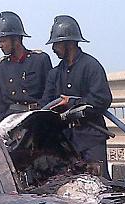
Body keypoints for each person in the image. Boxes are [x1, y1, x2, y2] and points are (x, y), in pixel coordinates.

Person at [42, 15, 113, 178]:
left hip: (90, 138)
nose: (53, 49)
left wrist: (72, 102)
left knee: (99, 185)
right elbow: (45, 104)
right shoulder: (54, 74)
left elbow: (102, 99)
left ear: (69, 43)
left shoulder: (91, 66)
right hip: (66, 142)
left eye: (56, 44)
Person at [0, 11, 53, 122]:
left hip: (38, 119)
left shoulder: (40, 60)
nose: (0, 46)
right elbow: (1, 106)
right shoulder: (0, 68)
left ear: (16, 39)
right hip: (14, 122)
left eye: (3, 41)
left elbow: (49, 93)